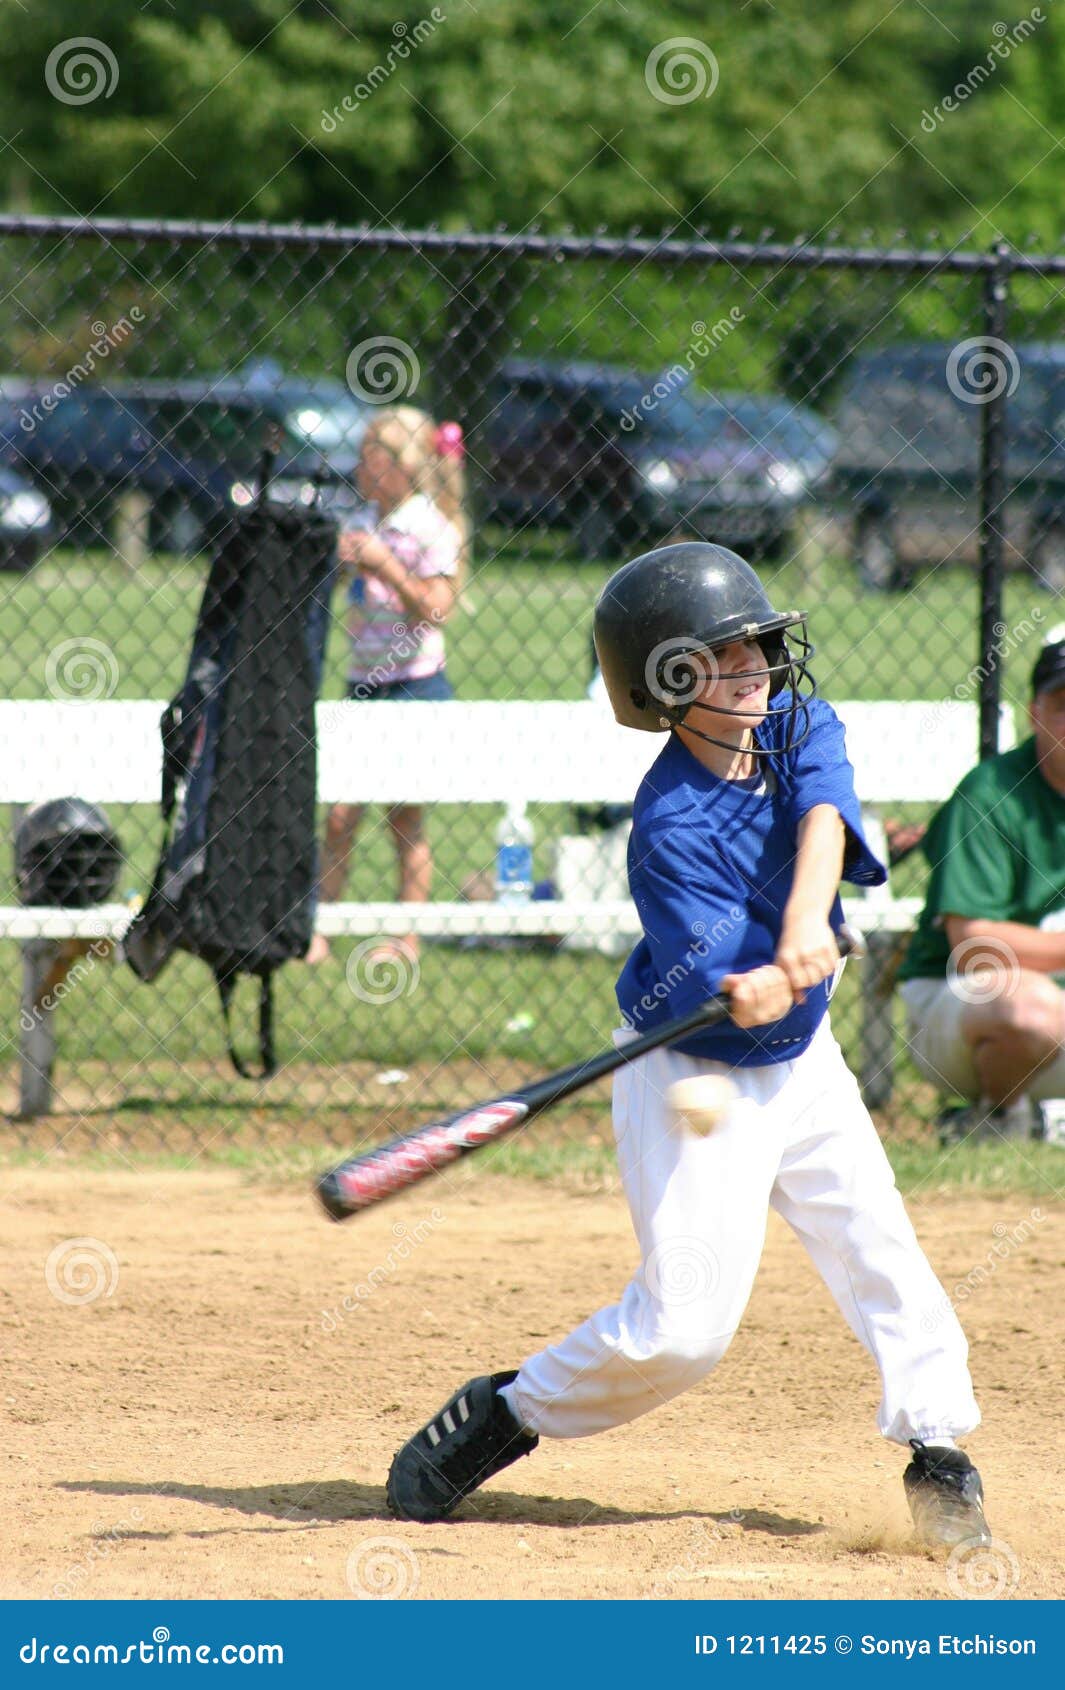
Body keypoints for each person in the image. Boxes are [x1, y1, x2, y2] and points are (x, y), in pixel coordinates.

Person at [383, 541, 990, 1549]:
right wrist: (744, 985)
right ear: (667, 685)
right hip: (695, 1074)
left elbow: (827, 818)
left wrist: (800, 931)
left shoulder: (795, 721)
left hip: (805, 1063)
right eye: (728, 654)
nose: (757, 664)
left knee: (880, 1247)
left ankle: (939, 1452)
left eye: (759, 644)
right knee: (683, 1332)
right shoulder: (669, 826)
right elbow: (717, 989)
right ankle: (508, 1410)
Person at [306, 407, 467, 966]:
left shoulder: (429, 527)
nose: (359, 470)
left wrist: (384, 568)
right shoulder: (362, 517)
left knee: (404, 818)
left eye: (370, 462)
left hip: (414, 686)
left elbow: (439, 608)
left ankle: (408, 935)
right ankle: (318, 927)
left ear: (402, 468)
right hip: (362, 685)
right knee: (339, 814)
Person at [898, 631, 1065, 1143]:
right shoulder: (991, 794)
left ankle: (1046, 1121)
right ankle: (999, 1116)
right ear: (1035, 713)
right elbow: (974, 947)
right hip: (962, 1008)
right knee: (1029, 1006)